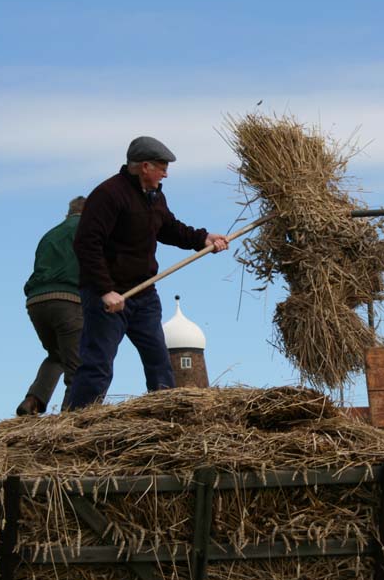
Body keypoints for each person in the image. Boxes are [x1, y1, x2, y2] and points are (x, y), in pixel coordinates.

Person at [64, 136, 229, 410]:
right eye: (162, 167)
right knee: (98, 364)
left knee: (159, 361)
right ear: (144, 166)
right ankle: (76, 420)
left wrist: (204, 239)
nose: (166, 173)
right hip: (109, 297)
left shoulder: (155, 196)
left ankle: (168, 416)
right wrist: (105, 290)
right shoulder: (108, 195)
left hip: (144, 293)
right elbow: (86, 243)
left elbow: (170, 228)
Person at [17, 196, 86, 416]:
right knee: (78, 364)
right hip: (67, 300)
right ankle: (70, 416)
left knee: (57, 355)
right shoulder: (87, 230)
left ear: (68, 213)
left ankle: (33, 400)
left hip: (36, 302)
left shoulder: (49, 235)